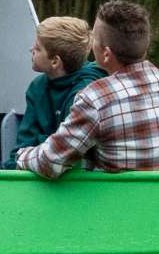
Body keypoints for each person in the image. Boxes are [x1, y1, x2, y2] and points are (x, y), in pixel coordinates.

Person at [15, 0, 159, 178]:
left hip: (124, 208)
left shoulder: (96, 98)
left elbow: (50, 162)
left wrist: (21, 155)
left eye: (94, 38)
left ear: (106, 54)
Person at [12, 16, 106, 161]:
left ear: (55, 61)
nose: (31, 49)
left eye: (37, 48)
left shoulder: (86, 91)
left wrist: (41, 140)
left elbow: (69, 150)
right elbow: (23, 144)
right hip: (38, 165)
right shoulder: (37, 87)